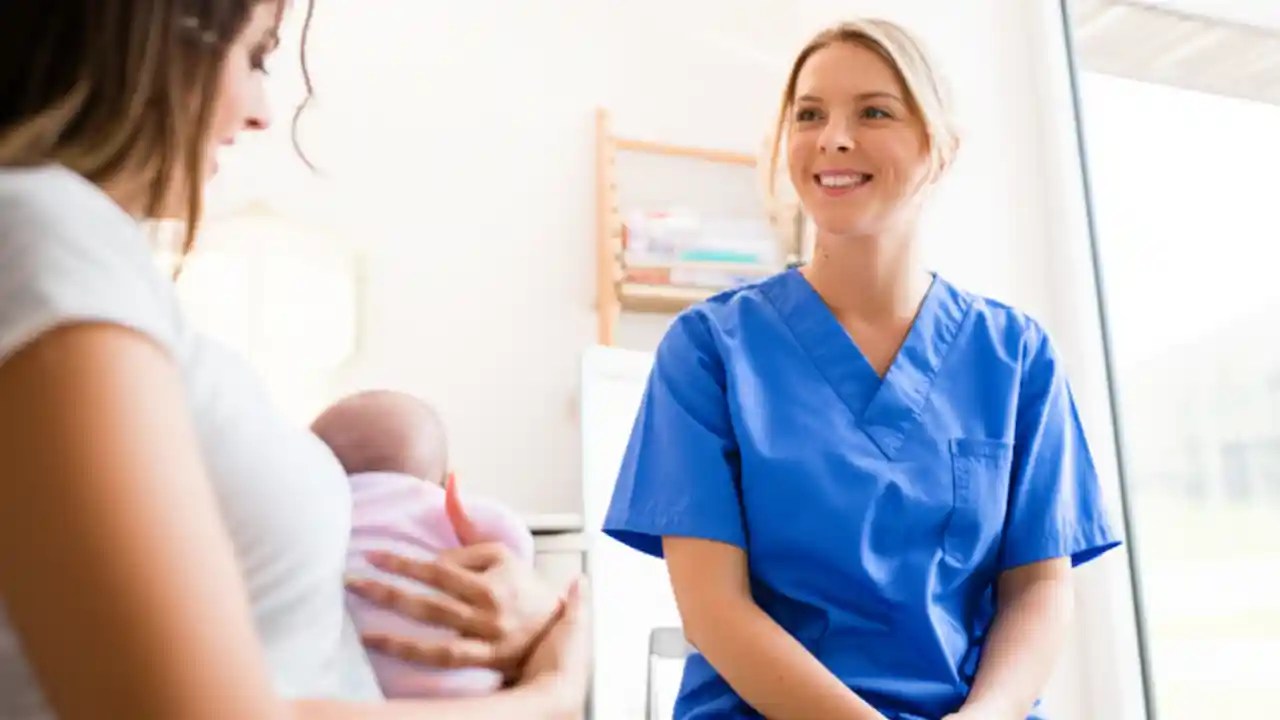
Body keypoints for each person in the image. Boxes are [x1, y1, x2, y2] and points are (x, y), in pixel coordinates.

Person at [0, 2, 588, 719]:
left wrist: (496, 614)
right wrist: (549, 696)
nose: (263, 114)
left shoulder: (81, 265)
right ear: (147, 42)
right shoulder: (45, 236)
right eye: (256, 57)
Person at [602, 18, 1121, 720]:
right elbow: (714, 609)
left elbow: (1039, 588)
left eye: (873, 112)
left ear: (941, 147)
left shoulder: (1016, 356)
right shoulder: (709, 350)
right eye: (809, 114)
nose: (833, 138)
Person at [311, 390, 537, 698]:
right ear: (449, 484)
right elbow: (513, 551)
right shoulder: (449, 511)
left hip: (344, 693)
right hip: (461, 688)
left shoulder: (316, 514)